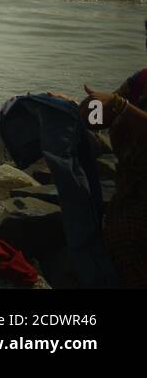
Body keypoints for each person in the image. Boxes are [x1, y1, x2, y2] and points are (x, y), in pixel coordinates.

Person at [78, 30, 147, 287]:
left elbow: (120, 107)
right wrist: (85, 109)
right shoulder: (140, 81)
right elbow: (103, 117)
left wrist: (119, 106)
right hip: (132, 190)